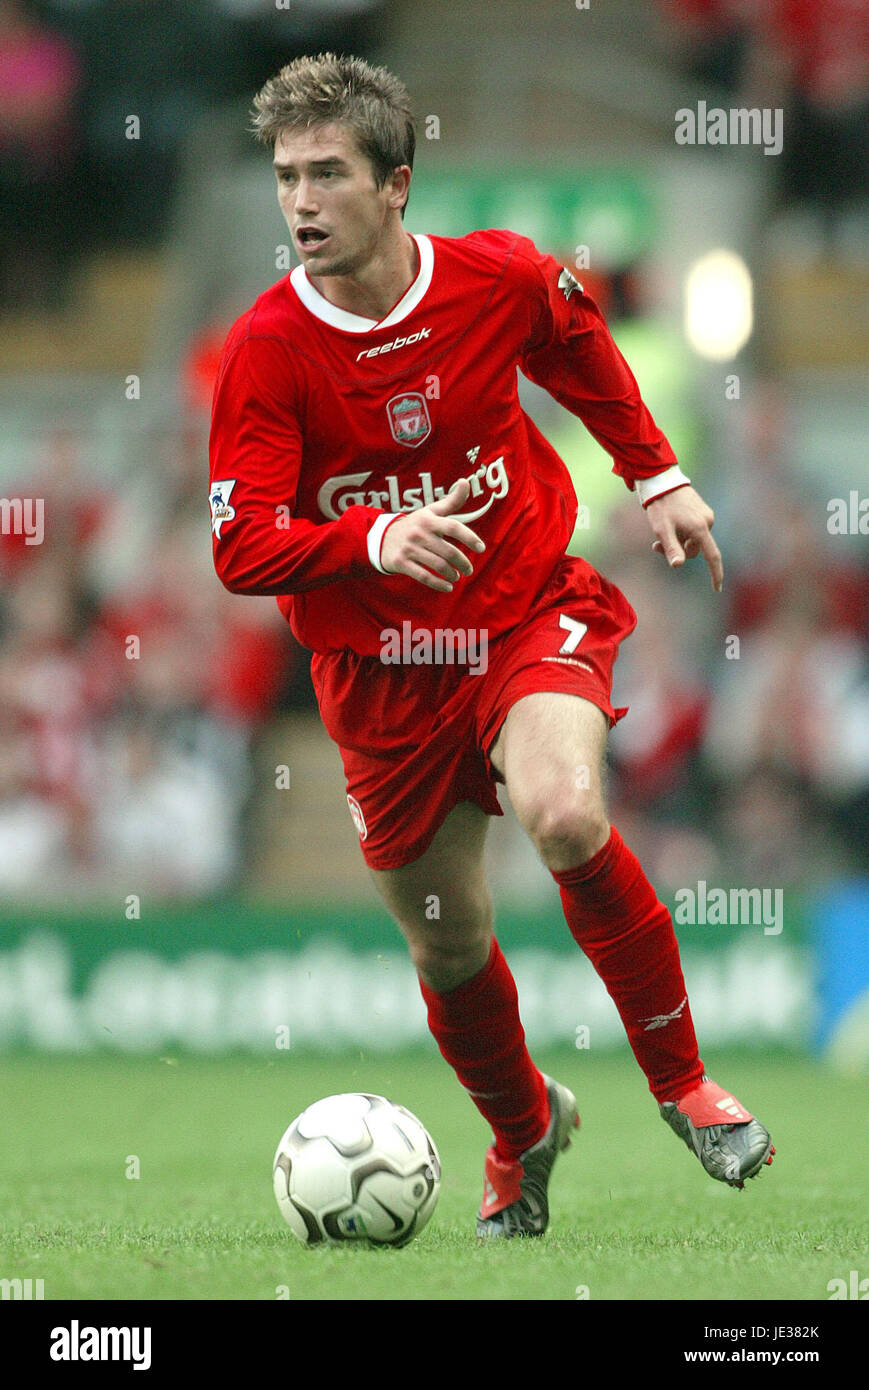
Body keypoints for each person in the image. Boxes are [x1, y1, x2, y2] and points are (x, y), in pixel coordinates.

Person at [208, 52, 774, 1239]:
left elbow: (574, 342)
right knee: (448, 935)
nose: (301, 202)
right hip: (379, 677)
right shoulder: (266, 351)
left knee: (563, 812)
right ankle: (523, 1130)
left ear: (396, 182)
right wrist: (369, 540)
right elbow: (243, 546)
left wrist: (656, 473)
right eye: (284, 177)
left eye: (328, 174)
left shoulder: (499, 277)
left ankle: (684, 1086)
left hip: (522, 609)